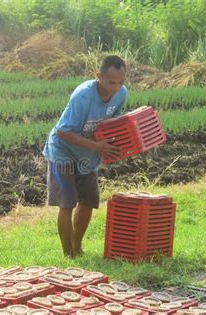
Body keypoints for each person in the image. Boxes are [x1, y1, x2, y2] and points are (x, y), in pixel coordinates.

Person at [42, 55, 127, 257]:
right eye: (111, 82)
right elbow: (63, 131)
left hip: (88, 153)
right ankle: (68, 254)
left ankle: (77, 247)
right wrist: (97, 146)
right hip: (62, 151)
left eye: (121, 82)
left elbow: (114, 122)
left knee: (89, 200)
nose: (116, 87)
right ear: (99, 76)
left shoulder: (121, 93)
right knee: (67, 202)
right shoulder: (83, 95)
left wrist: (117, 145)